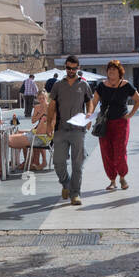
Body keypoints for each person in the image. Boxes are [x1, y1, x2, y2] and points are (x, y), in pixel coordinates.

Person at [47, 54, 93, 206]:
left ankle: (75, 194)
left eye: (73, 68)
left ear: (78, 69)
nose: (71, 70)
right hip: (60, 129)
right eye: (68, 68)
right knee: (58, 162)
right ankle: (66, 184)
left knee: (77, 163)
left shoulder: (84, 85)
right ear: (65, 68)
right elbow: (52, 106)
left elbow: (89, 102)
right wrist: (49, 125)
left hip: (78, 130)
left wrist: (89, 115)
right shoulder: (58, 85)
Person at [91, 59, 139, 191]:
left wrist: (130, 114)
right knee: (106, 152)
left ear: (120, 72)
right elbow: (94, 101)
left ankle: (122, 177)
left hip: (121, 123)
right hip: (104, 123)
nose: (111, 71)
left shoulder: (126, 85)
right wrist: (89, 113)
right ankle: (112, 180)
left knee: (120, 150)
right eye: (109, 69)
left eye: (114, 69)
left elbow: (138, 100)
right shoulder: (101, 86)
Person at [8, 93, 51, 171]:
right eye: (39, 98)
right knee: (20, 132)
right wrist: (40, 114)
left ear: (46, 98)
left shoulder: (50, 107)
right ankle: (28, 160)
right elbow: (33, 121)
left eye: (43, 98)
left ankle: (38, 161)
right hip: (37, 127)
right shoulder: (37, 107)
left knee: (35, 136)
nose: (41, 100)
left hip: (44, 131)